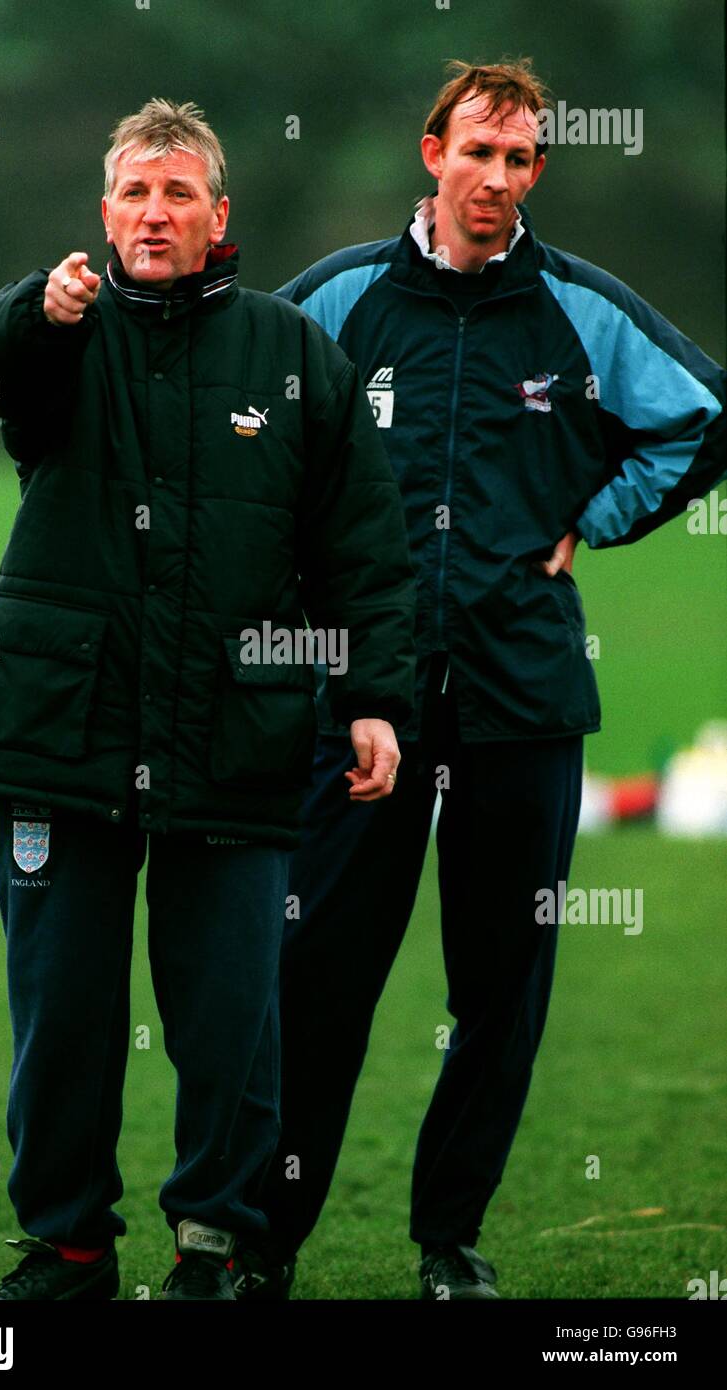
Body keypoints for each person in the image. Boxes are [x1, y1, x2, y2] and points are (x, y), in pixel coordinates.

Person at [234, 59, 727, 1301]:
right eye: (478, 153)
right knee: (315, 975)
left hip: (522, 691)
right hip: (363, 701)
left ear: (537, 172)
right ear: (431, 153)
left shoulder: (579, 306)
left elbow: (704, 415)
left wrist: (594, 512)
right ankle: (262, 1244)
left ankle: (448, 1245)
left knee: (499, 986)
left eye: (521, 160)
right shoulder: (338, 299)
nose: (496, 179)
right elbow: (244, 427)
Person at [0, 98, 417, 1301]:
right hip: (63, 726)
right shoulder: (56, 333)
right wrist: (35, 316)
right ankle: (67, 1244)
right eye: (135, 195)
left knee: (229, 1018)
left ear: (218, 215)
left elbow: (360, 543)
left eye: (178, 194)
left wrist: (370, 698)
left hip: (236, 727)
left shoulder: (295, 353)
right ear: (105, 216)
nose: (156, 213)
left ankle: (218, 1239)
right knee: (63, 1008)